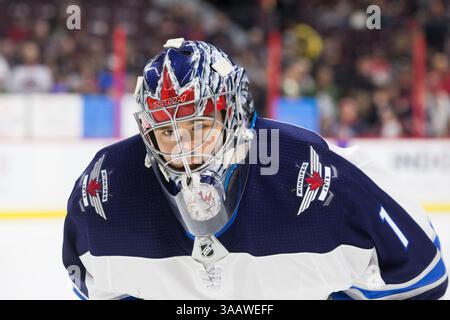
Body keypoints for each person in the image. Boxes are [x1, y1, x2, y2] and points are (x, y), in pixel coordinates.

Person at [63, 38, 447, 300]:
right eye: (166, 132)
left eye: (199, 126)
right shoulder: (105, 188)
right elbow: (86, 280)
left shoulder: (311, 170)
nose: (185, 151)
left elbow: (425, 274)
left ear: (234, 115)